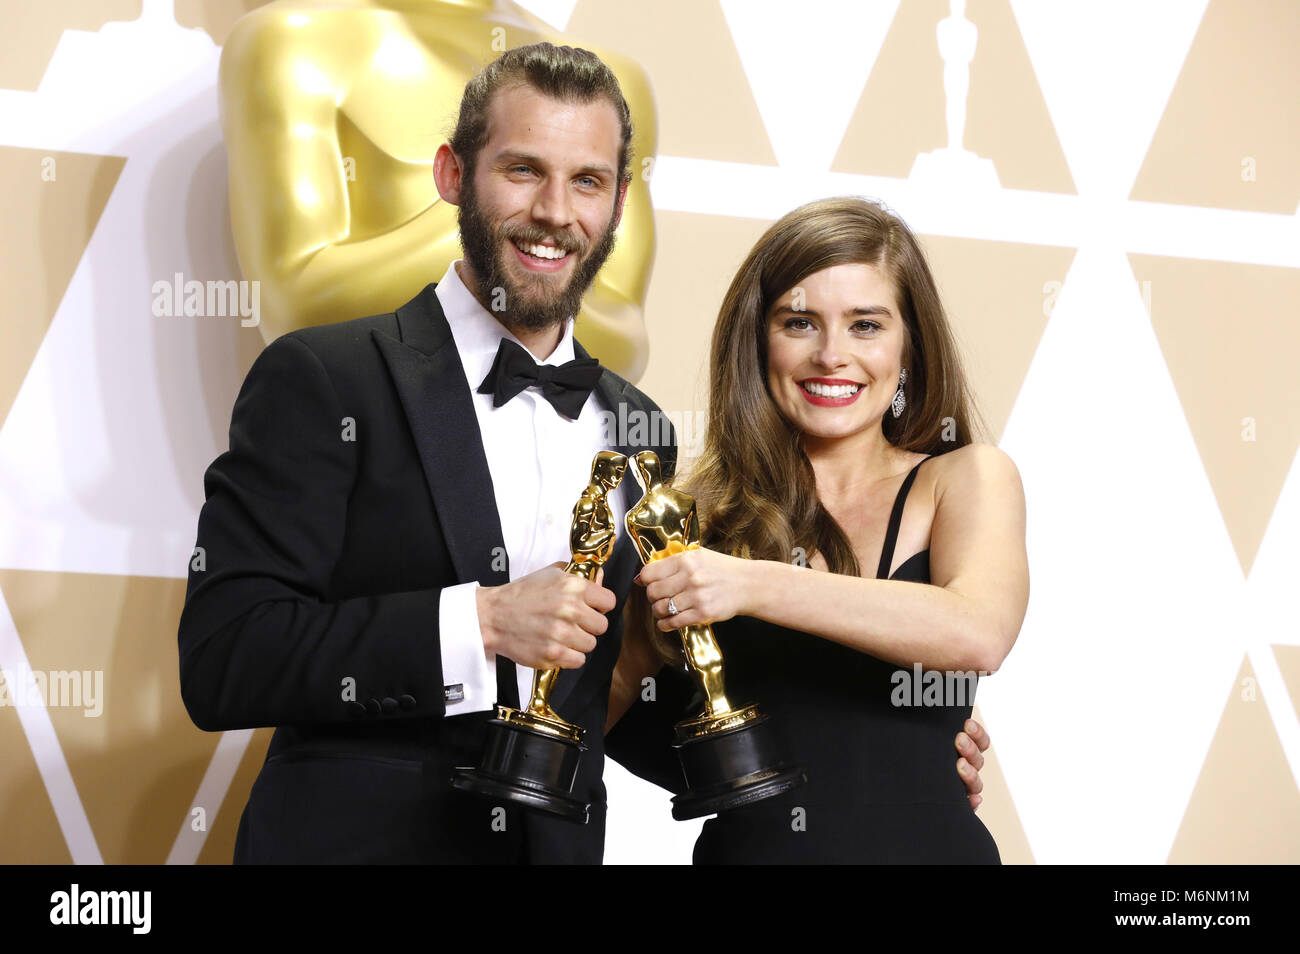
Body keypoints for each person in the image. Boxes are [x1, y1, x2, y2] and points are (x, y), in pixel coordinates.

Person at [180, 41, 989, 864]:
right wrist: (481, 622)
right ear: (453, 175)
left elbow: (617, 703)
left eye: (588, 181)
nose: (555, 211)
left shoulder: (641, 429)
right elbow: (224, 657)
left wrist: (894, 740)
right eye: (523, 170)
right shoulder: (326, 378)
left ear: (618, 203)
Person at [610, 196, 1027, 863]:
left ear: (910, 347)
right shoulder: (689, 518)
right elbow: (595, 722)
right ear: (757, 342)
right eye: (799, 322)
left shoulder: (966, 478)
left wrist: (747, 586)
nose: (833, 355)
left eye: (866, 325)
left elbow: (977, 634)